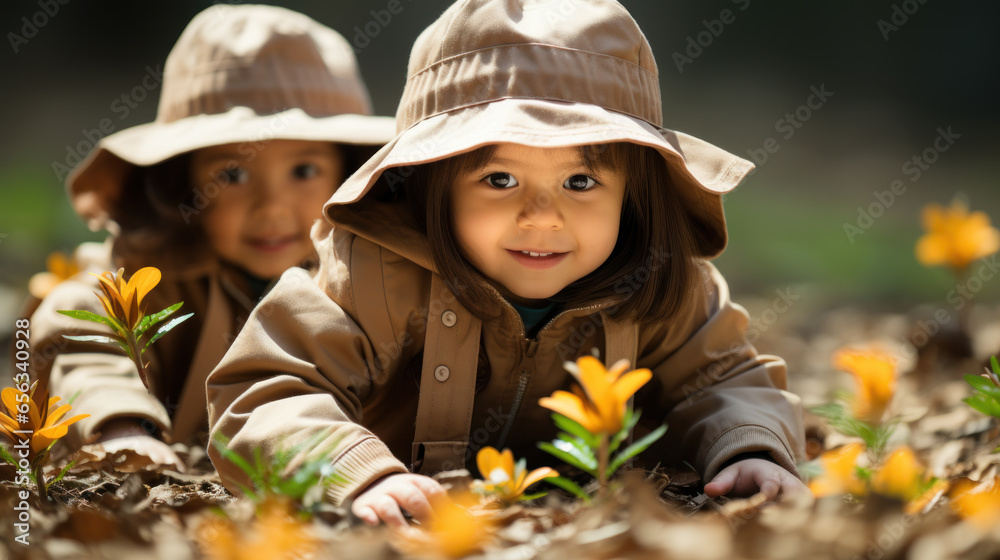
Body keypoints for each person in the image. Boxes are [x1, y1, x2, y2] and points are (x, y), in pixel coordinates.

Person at [208, 0, 807, 525]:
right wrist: (356, 471)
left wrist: (749, 449)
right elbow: (267, 389)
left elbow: (723, 379)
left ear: (635, 192)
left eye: (580, 180)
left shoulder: (662, 284)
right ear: (431, 186)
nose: (542, 216)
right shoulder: (374, 274)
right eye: (500, 178)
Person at [28, 4, 394, 470]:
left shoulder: (374, 281)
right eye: (233, 173)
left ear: (349, 174)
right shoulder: (155, 276)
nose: (272, 207)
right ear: (180, 183)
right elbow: (81, 332)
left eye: (304, 170)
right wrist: (124, 427)